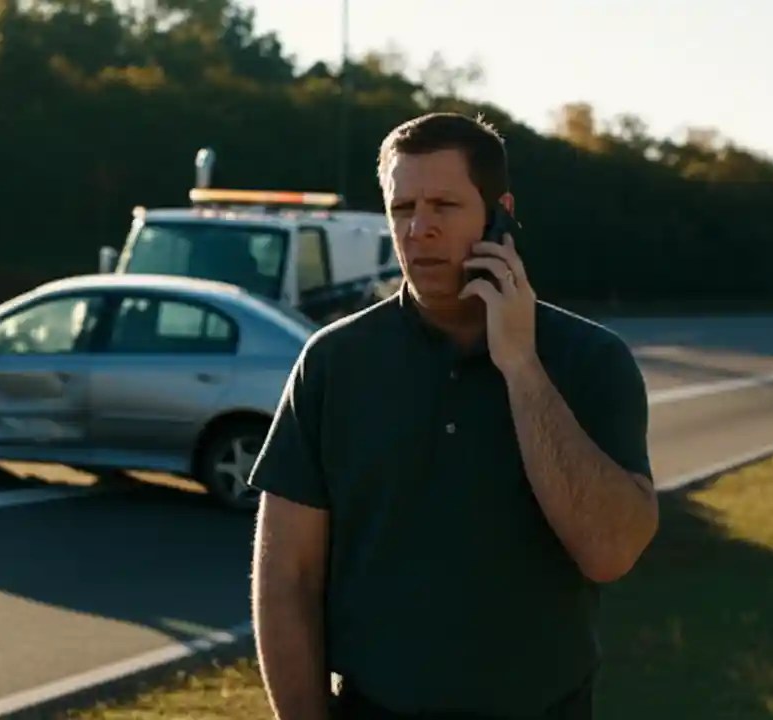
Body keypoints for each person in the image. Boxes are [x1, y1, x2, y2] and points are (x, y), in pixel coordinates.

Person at [247, 112, 659, 720]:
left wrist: (520, 365)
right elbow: (287, 578)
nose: (419, 230)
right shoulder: (334, 362)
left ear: (502, 214)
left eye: (444, 205)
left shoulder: (591, 360)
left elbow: (610, 552)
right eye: (402, 208)